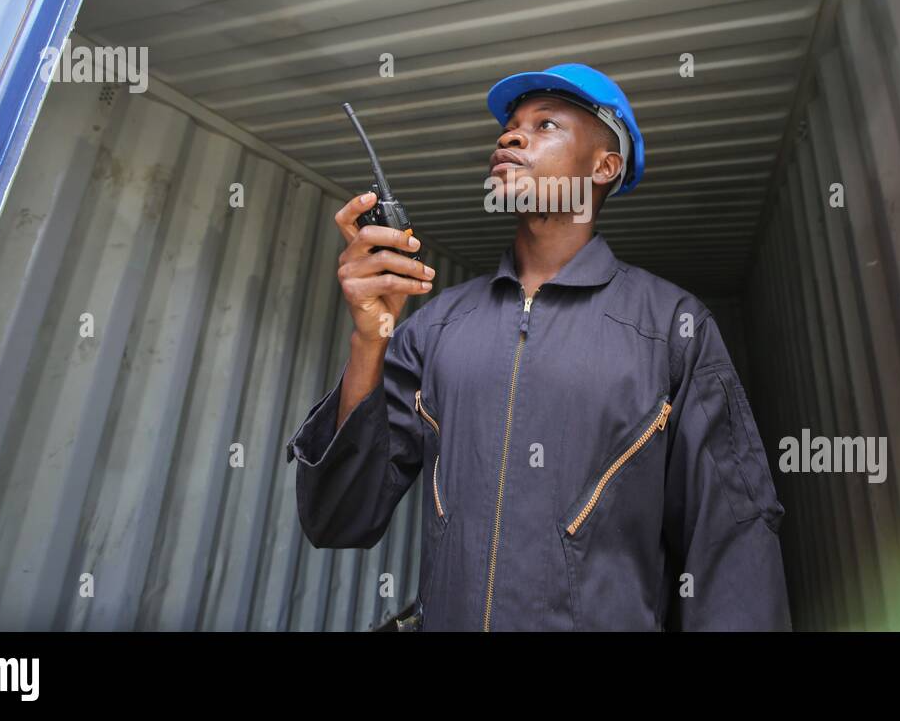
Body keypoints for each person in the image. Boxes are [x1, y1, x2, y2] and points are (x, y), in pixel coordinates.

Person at [284, 62, 791, 631]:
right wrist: (369, 338)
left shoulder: (672, 327)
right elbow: (339, 518)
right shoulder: (440, 326)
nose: (509, 136)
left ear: (605, 165)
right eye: (509, 127)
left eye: (546, 124)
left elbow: (734, 546)